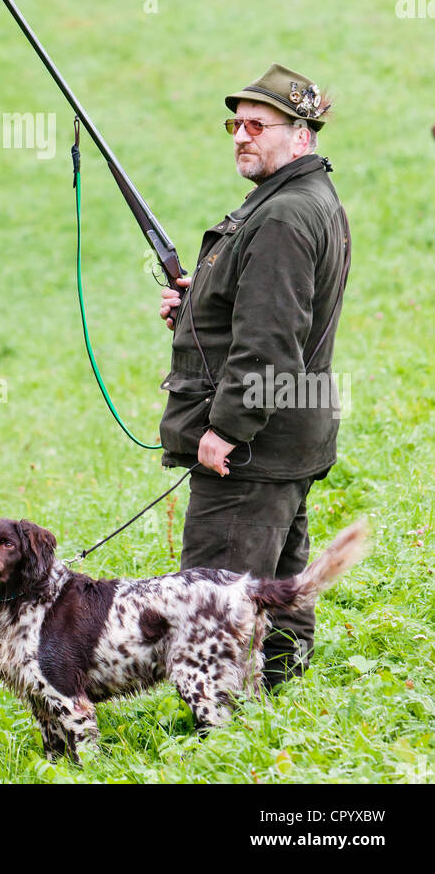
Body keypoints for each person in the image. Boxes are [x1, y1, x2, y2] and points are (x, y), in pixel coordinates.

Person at [158, 63, 350, 689]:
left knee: (216, 599)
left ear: (301, 136)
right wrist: (197, 307)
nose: (242, 135)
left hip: (255, 445)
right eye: (235, 124)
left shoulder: (282, 216)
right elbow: (268, 313)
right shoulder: (301, 198)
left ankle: (225, 730)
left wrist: (227, 429)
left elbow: (270, 342)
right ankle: (281, 704)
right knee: (279, 591)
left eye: (257, 125)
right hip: (292, 429)